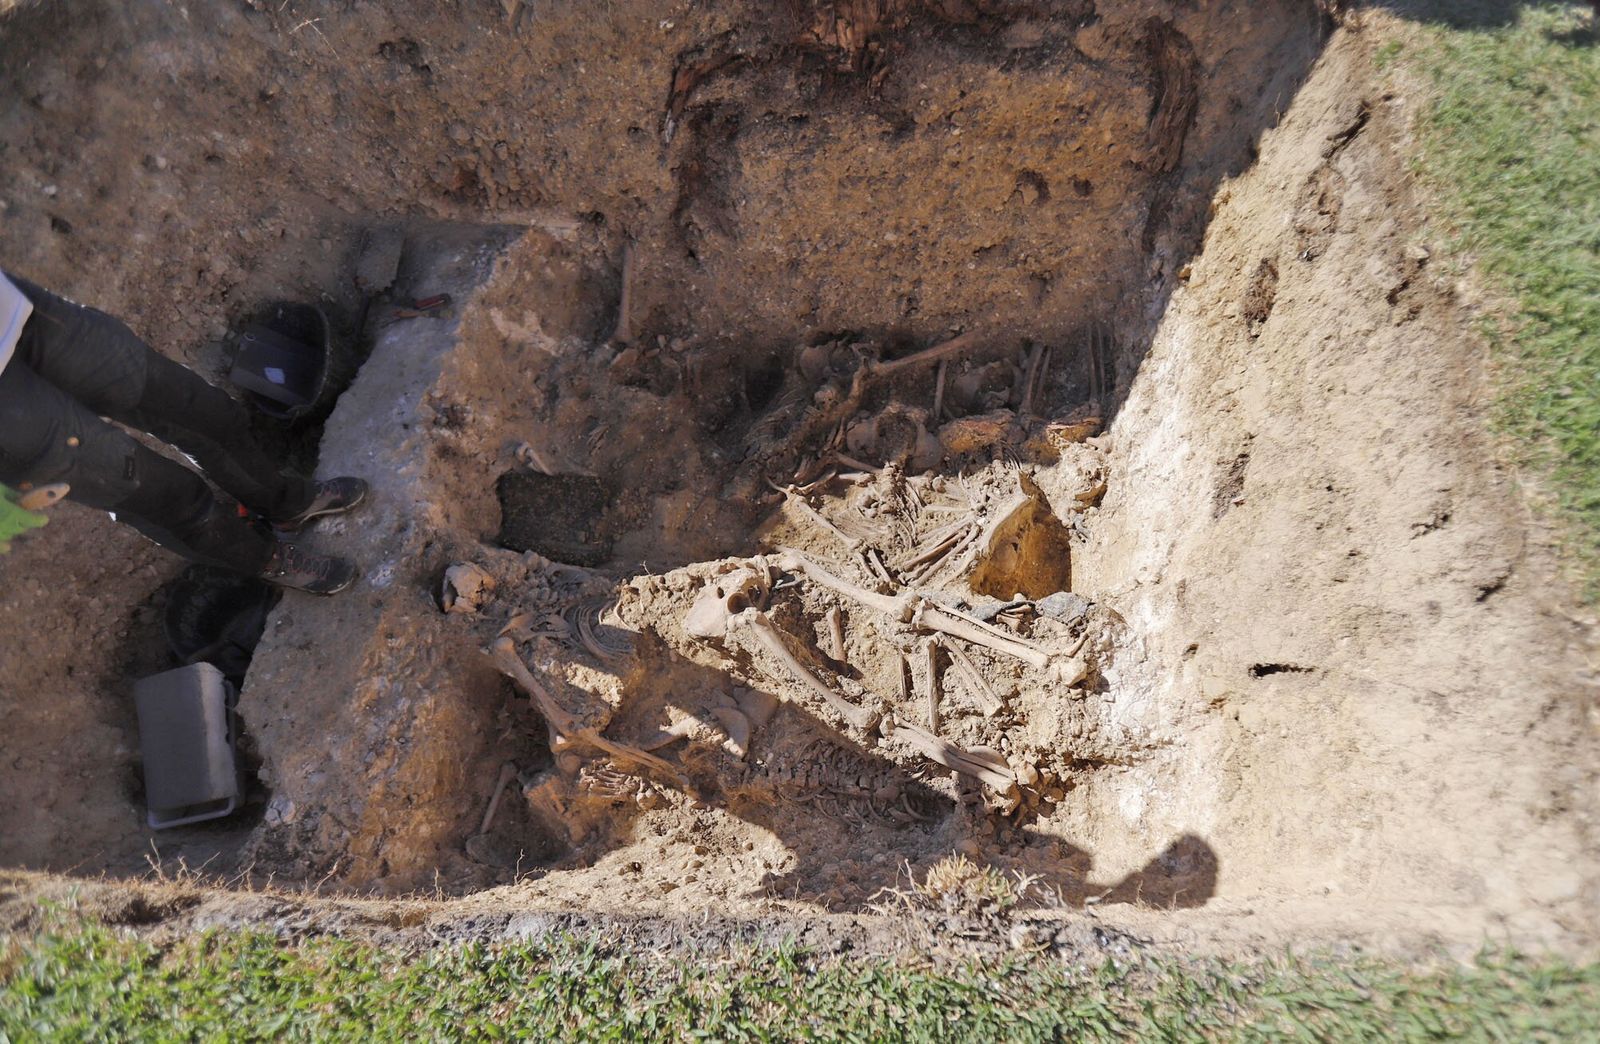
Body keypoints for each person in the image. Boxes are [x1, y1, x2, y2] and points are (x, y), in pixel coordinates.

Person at [0, 269, 364, 595]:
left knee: (207, 414)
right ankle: (268, 559)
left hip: (18, 310)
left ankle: (287, 503)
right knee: (162, 493)